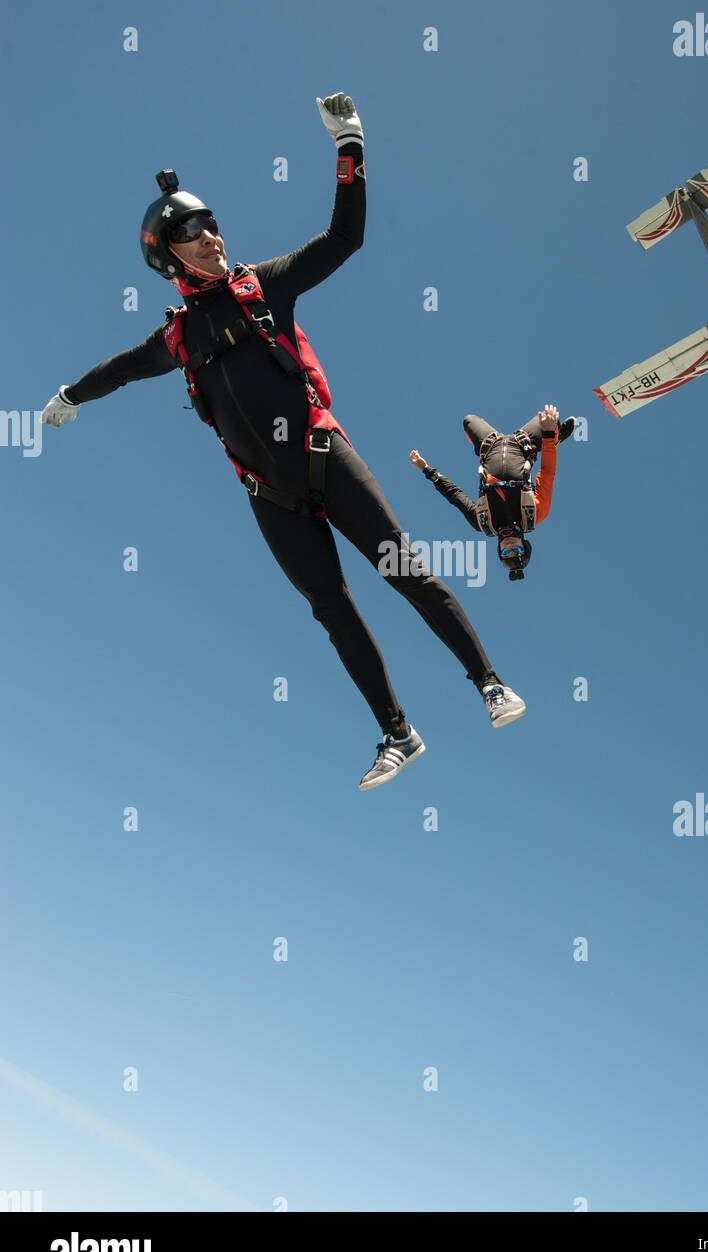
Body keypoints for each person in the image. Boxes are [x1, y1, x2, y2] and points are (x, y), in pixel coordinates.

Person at [40, 93, 525, 790]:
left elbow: (344, 238)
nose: (212, 236)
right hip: (269, 495)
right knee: (332, 612)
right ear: (166, 256)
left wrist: (349, 146)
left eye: (212, 223)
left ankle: (488, 682)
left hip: (324, 458)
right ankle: (397, 734)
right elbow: (120, 369)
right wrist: (69, 396)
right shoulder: (176, 338)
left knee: (404, 572)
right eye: (193, 230)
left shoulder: (264, 285)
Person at [410, 406, 575, 580]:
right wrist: (548, 435)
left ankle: (550, 438)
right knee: (551, 418)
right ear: (524, 545)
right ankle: (554, 439)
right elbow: (547, 472)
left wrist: (426, 470)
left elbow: (455, 496)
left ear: (499, 549)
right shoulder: (535, 513)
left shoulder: (482, 521)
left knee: (468, 420)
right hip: (523, 443)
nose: (509, 546)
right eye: (516, 550)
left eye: (506, 552)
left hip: (490, 445)